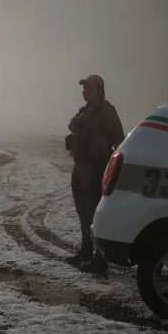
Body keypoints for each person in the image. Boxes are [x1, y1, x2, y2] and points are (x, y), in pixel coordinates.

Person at [65, 74, 124, 270]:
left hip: (96, 167)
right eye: (84, 88)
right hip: (81, 166)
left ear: (99, 90)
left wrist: (111, 166)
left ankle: (100, 258)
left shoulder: (105, 111)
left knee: (94, 213)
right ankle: (86, 250)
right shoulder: (85, 111)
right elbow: (73, 127)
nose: (85, 91)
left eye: (89, 88)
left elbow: (119, 140)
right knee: (83, 212)